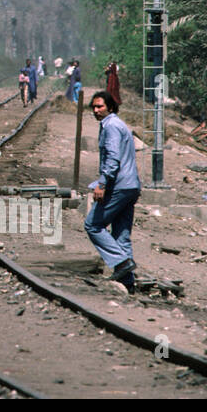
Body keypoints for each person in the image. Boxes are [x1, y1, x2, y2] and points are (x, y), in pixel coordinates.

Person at [84, 90, 141, 292]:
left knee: (93, 225)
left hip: (119, 186)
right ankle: (127, 283)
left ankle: (122, 263)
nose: (96, 110)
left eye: (99, 106)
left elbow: (113, 158)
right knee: (121, 235)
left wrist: (102, 183)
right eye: (93, 107)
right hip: (131, 186)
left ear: (110, 107)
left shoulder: (111, 127)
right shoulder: (118, 124)